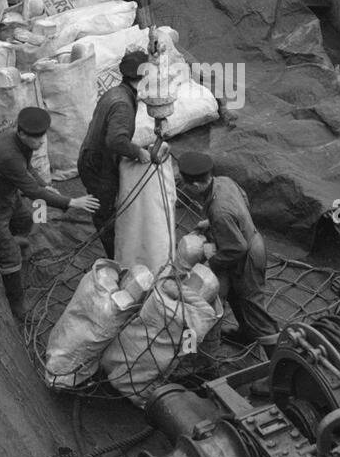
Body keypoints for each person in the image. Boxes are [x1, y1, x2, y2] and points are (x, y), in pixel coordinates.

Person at [0, 106, 98, 319]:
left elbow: (28, 169)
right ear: (21, 133)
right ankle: (17, 305)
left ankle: (17, 245)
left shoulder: (19, 143)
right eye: (36, 138)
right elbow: (32, 191)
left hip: (6, 196)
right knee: (8, 257)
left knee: (25, 221)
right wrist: (71, 201)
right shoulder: (8, 154)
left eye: (43, 135)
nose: (41, 141)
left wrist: (45, 185)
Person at [178, 151, 280, 347]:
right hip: (248, 240)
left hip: (248, 257)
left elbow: (237, 249)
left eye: (187, 185)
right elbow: (243, 200)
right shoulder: (223, 181)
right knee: (235, 296)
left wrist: (212, 259)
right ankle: (246, 335)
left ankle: (279, 359)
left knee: (254, 308)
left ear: (197, 185)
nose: (186, 188)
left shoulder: (219, 210)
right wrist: (213, 224)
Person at [77, 49, 166, 258]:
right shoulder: (123, 104)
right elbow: (115, 140)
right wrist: (137, 152)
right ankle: (116, 260)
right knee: (105, 216)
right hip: (97, 166)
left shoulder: (117, 92)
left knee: (108, 206)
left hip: (96, 157)